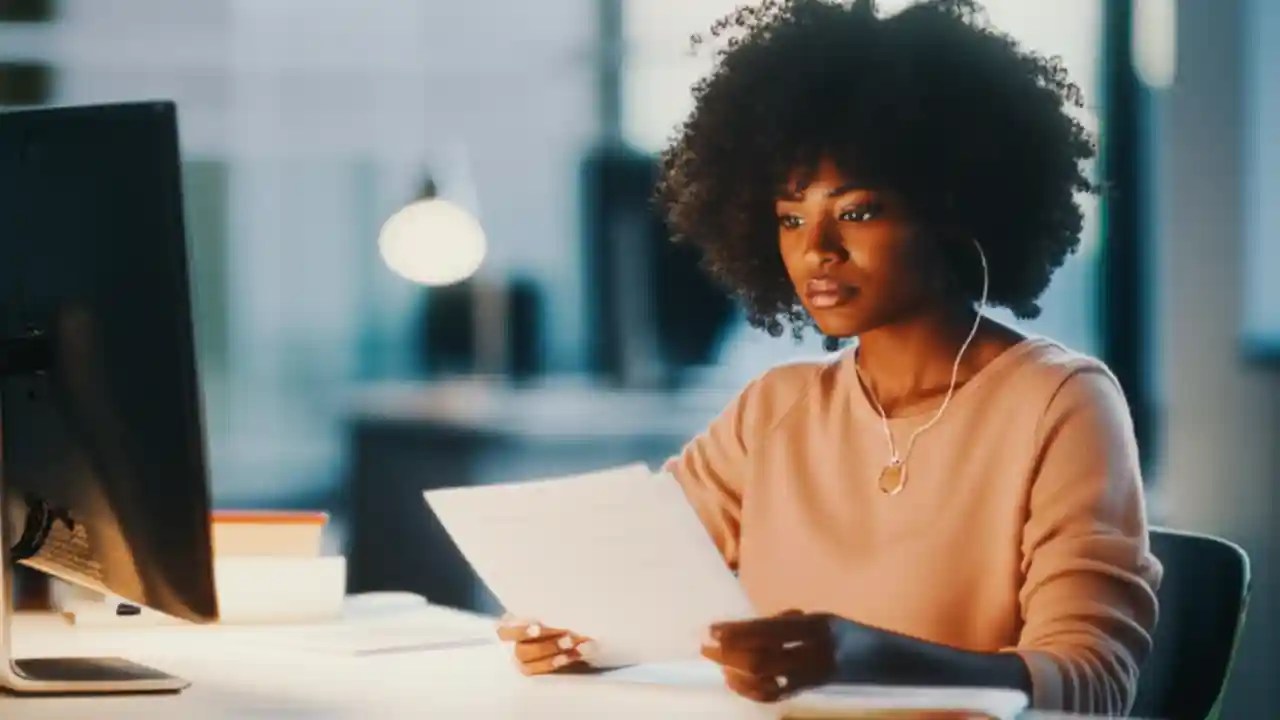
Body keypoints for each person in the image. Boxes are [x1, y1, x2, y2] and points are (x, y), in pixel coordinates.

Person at [498, 0, 1162, 715]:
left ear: (950, 210)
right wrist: (569, 627)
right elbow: (628, 574)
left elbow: (1093, 683)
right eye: (790, 218)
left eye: (856, 211)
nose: (816, 248)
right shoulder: (774, 411)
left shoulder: (1058, 402)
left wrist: (869, 657)